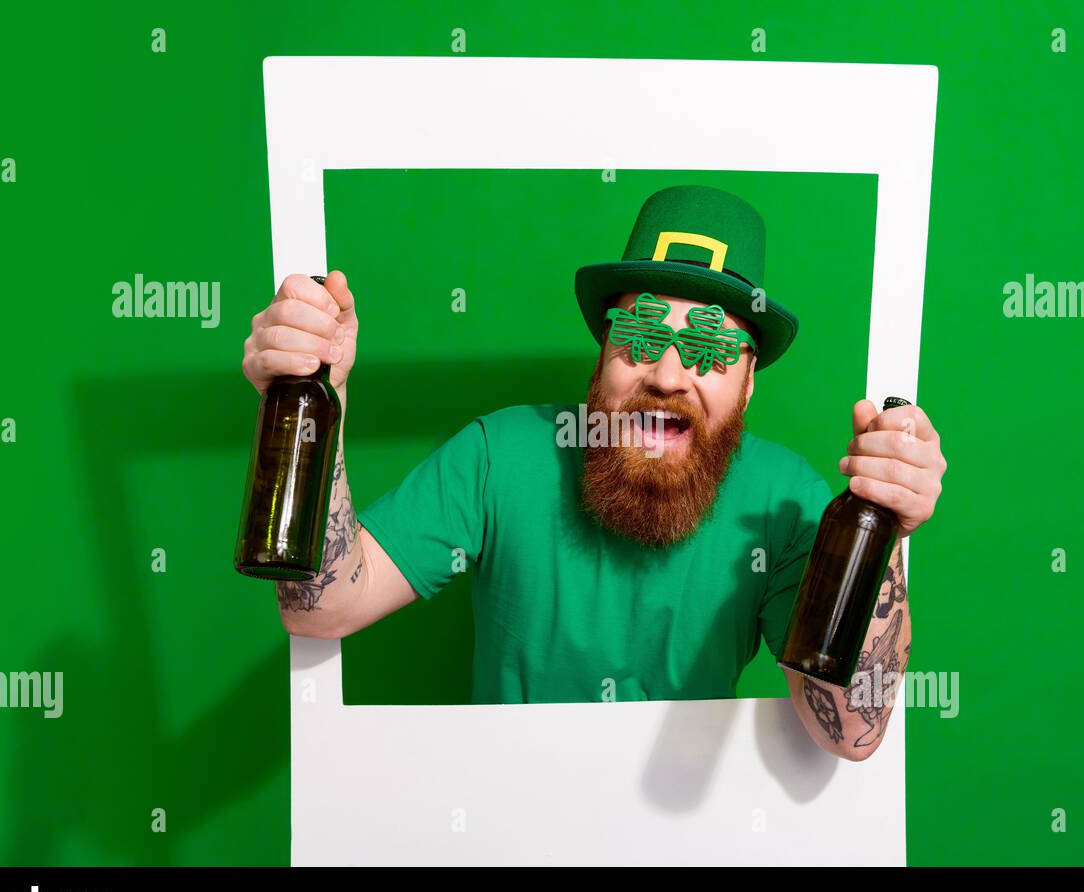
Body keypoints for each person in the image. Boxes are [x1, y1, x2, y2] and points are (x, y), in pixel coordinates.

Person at [240, 185, 946, 760]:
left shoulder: (786, 504)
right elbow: (322, 606)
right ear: (603, 350)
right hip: (507, 834)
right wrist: (315, 401)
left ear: (749, 382)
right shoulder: (499, 454)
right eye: (641, 334)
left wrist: (885, 526)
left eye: (707, 347)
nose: (668, 374)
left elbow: (851, 731)